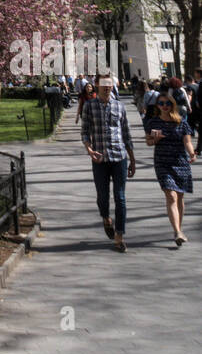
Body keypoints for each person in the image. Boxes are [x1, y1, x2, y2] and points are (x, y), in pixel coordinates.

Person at [80, 76, 136, 252]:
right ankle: (106, 218)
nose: (107, 88)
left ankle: (119, 236)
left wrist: (132, 160)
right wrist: (89, 149)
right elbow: (85, 132)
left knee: (120, 197)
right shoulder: (90, 106)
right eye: (103, 85)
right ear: (97, 86)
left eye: (109, 84)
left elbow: (126, 134)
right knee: (102, 197)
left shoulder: (120, 106)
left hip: (119, 157)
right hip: (100, 159)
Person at [144, 90, 196, 245]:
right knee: (171, 196)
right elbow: (148, 142)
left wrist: (192, 154)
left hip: (180, 161)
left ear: (172, 105)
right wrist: (155, 139)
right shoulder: (152, 122)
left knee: (180, 196)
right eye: (161, 103)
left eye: (167, 103)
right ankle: (178, 231)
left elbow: (187, 142)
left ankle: (178, 228)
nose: (164, 106)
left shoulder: (181, 121)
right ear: (157, 106)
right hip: (162, 162)